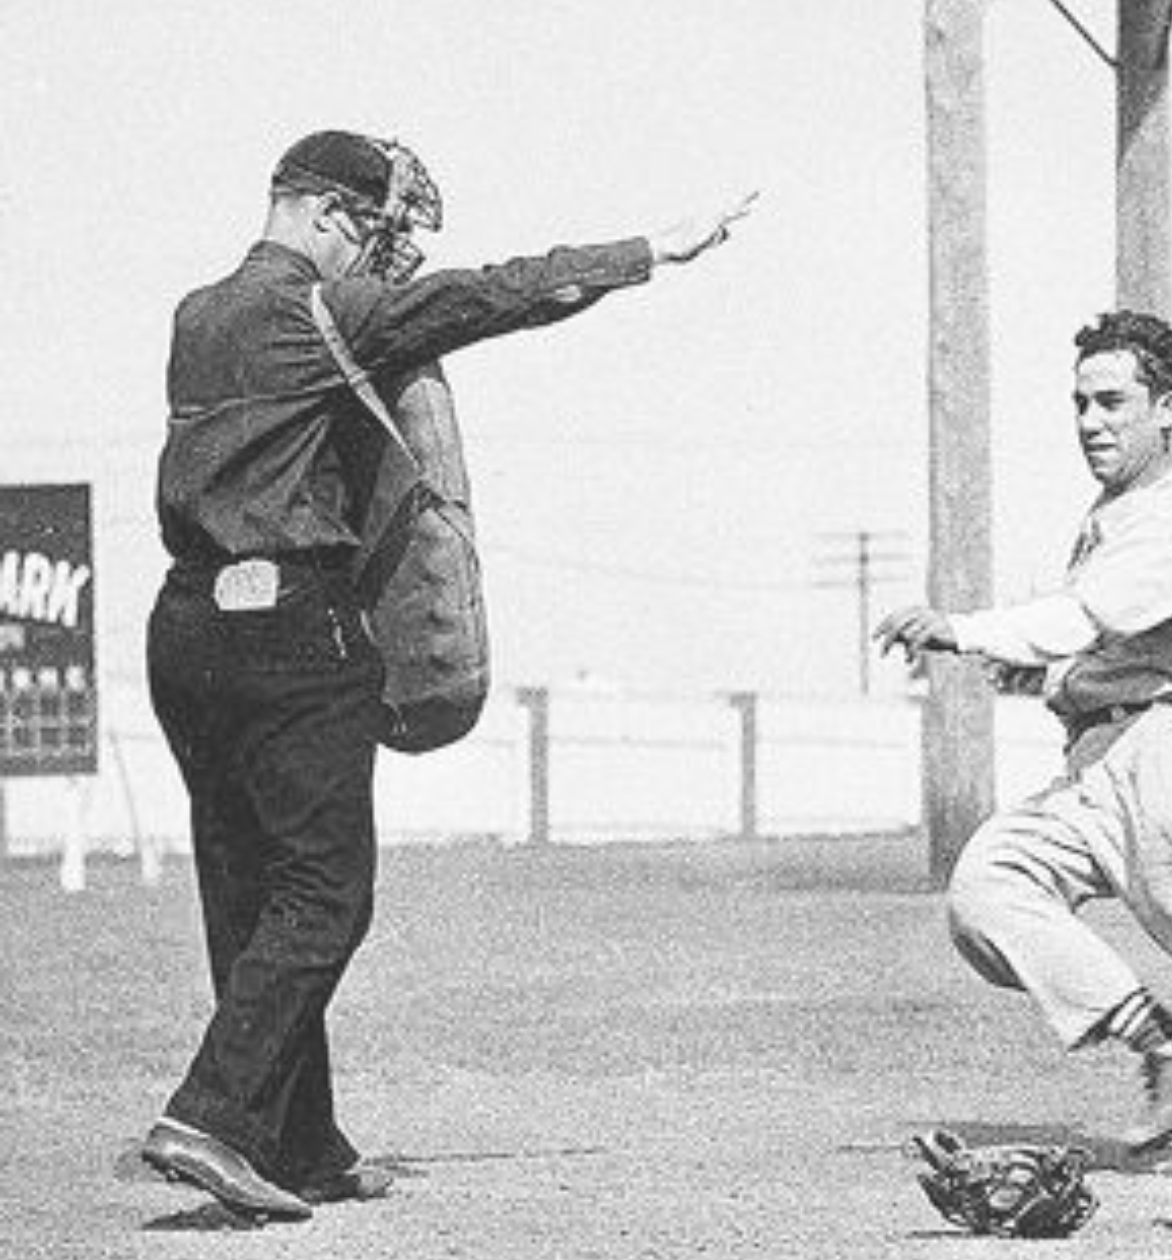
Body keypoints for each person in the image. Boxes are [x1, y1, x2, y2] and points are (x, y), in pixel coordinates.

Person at [141, 130, 753, 1221]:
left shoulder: (197, 314)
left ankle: (301, 1145)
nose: (381, 264)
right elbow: (496, 294)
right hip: (292, 627)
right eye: (374, 238)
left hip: (187, 629)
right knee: (326, 891)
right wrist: (651, 249)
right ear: (328, 216)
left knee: (250, 891)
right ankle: (212, 1118)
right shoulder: (323, 314)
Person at [874, 311, 1172, 1185]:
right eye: (1081, 404)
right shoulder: (1114, 514)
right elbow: (1073, 636)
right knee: (987, 888)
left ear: (1168, 408)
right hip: (1097, 758)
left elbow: (1074, 620)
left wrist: (960, 629)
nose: (1091, 422)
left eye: (1113, 402)